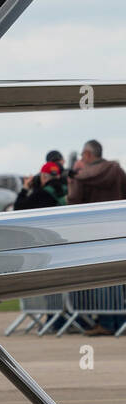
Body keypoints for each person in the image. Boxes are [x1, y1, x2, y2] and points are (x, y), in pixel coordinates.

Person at [67, 140, 126, 335]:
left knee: (101, 279)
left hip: (94, 233)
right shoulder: (117, 169)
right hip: (118, 229)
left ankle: (106, 323)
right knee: (118, 277)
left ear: (87, 155)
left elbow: (74, 202)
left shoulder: (81, 177)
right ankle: (119, 322)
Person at [67, 140, 126, 204]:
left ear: (87, 154)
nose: (81, 159)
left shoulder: (80, 177)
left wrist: (70, 185)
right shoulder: (118, 171)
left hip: (91, 214)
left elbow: (73, 204)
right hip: (119, 213)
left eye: (82, 155)